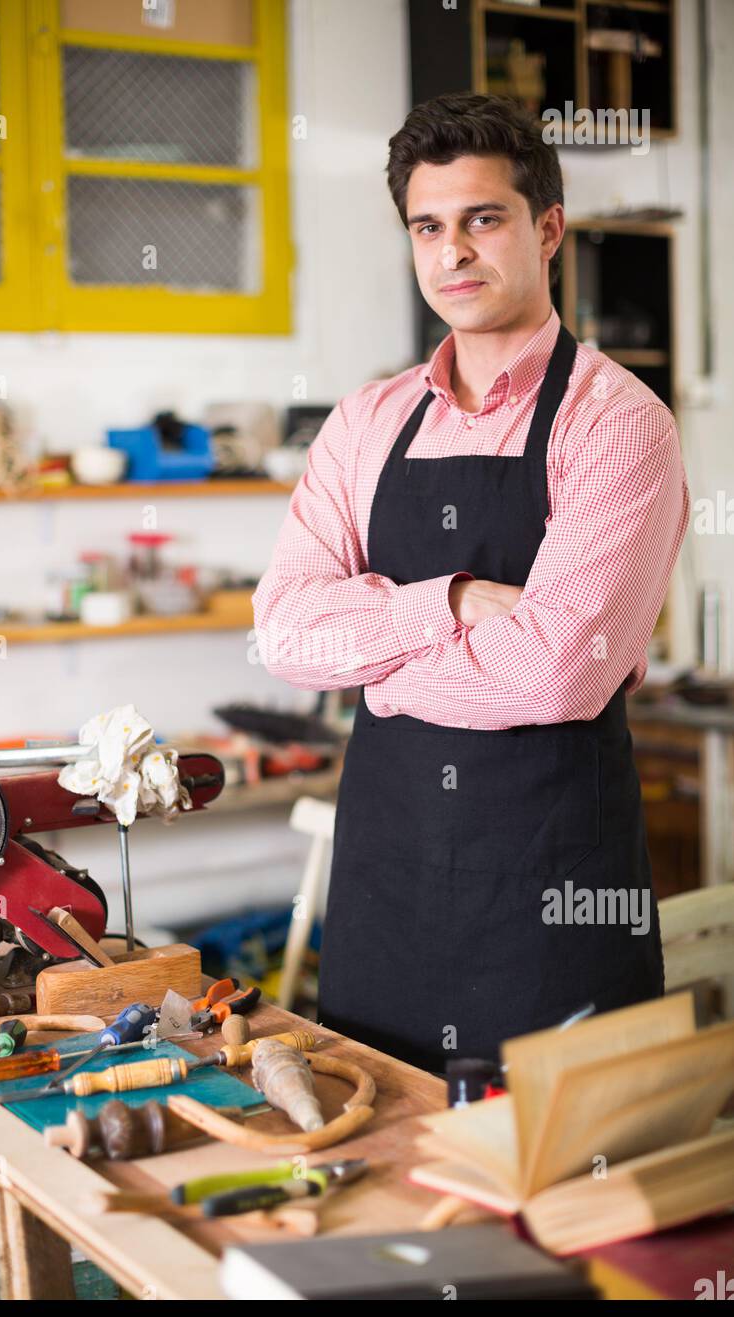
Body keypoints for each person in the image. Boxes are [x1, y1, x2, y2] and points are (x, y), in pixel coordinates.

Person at [252, 93, 690, 1072]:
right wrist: (444, 603)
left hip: (552, 906)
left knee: (560, 1203)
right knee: (376, 1180)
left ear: (544, 230)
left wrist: (376, 670)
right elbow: (282, 632)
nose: (451, 252)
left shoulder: (615, 424)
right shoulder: (365, 424)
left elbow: (555, 677)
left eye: (481, 220)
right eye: (427, 227)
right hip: (386, 894)